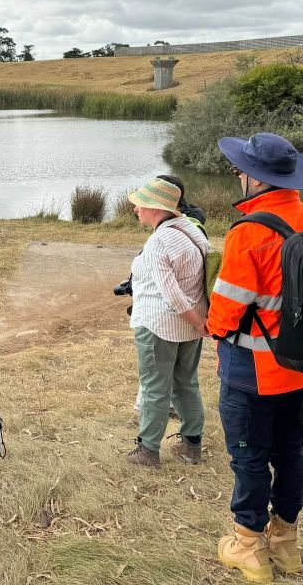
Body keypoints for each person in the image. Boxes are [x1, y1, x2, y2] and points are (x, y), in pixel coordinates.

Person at [206, 133, 303, 582]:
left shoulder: (250, 231)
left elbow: (228, 308)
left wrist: (211, 327)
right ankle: (286, 542)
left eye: (240, 169)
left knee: (248, 456)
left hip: (252, 369)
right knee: (291, 449)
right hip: (302, 364)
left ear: (257, 179)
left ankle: (248, 547)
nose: (237, 174)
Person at [125, 178, 209, 468]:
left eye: (141, 204)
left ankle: (148, 450)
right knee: (186, 383)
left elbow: (171, 292)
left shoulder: (160, 240)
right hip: (190, 327)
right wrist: (198, 322)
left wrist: (197, 321)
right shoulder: (192, 230)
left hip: (160, 326)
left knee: (154, 387)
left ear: (156, 208)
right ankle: (191, 445)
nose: (136, 209)